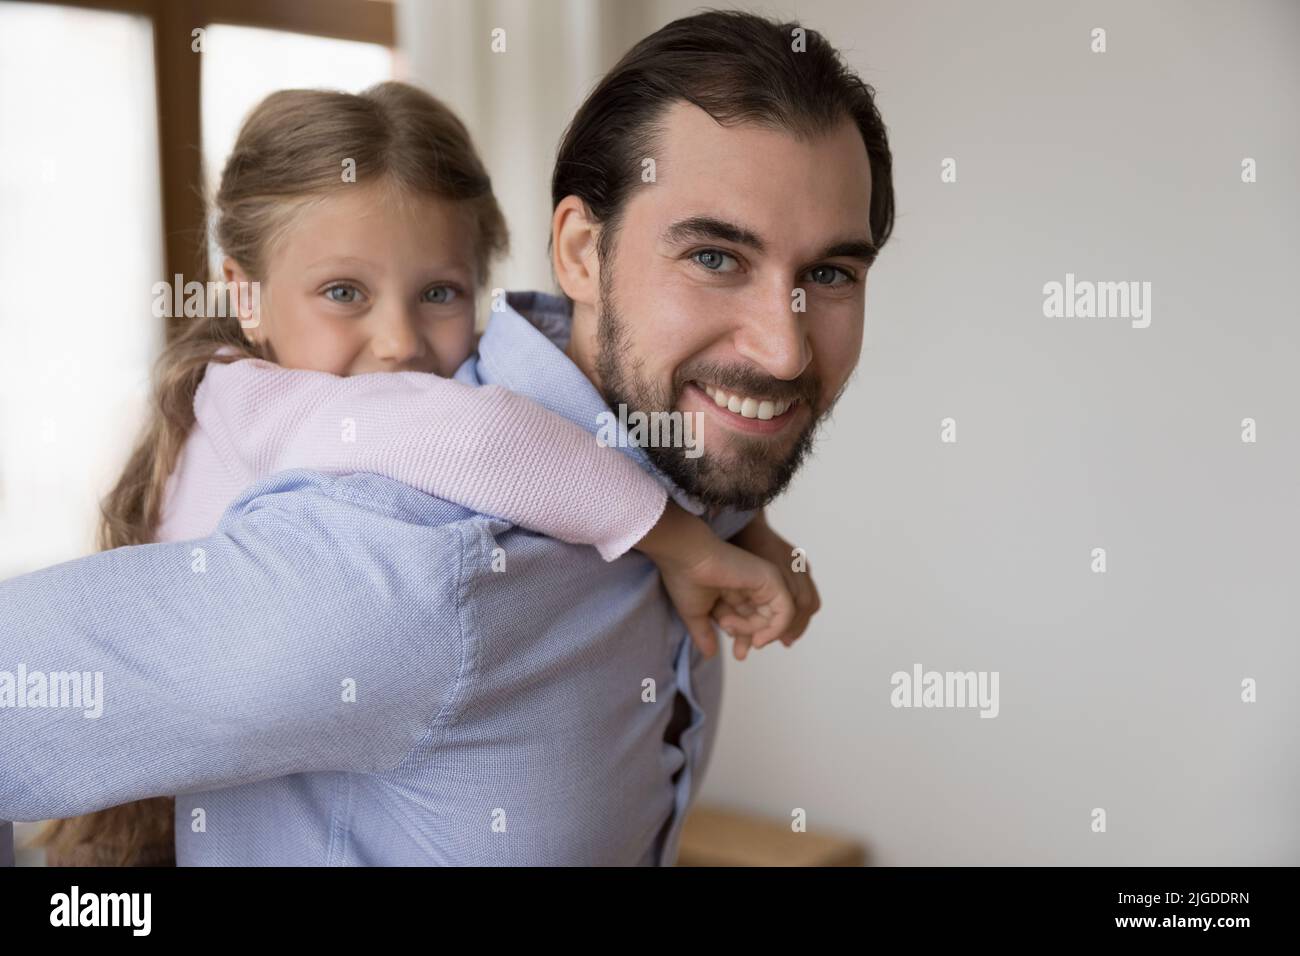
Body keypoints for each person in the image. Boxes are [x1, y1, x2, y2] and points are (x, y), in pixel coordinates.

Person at [0, 9, 892, 865]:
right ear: (580, 254)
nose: (783, 348)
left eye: (828, 271)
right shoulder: (409, 560)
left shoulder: (665, 443)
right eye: (714, 258)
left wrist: (744, 529)